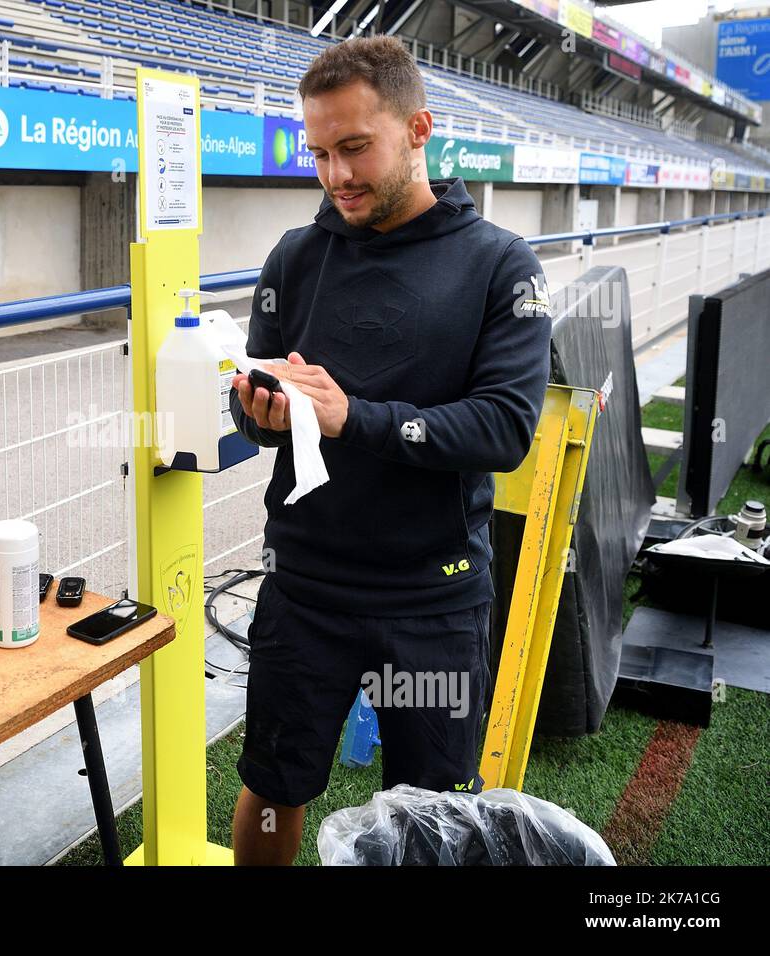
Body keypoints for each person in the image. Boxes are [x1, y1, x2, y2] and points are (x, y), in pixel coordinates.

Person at [228, 35, 553, 866]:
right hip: (305, 586)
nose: (336, 174)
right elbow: (270, 425)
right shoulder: (295, 259)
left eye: (355, 147)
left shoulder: (500, 265)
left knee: (430, 820)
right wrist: (259, 410)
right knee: (273, 789)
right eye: (320, 153)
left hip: (433, 600)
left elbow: (504, 429)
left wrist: (353, 417)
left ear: (418, 130)